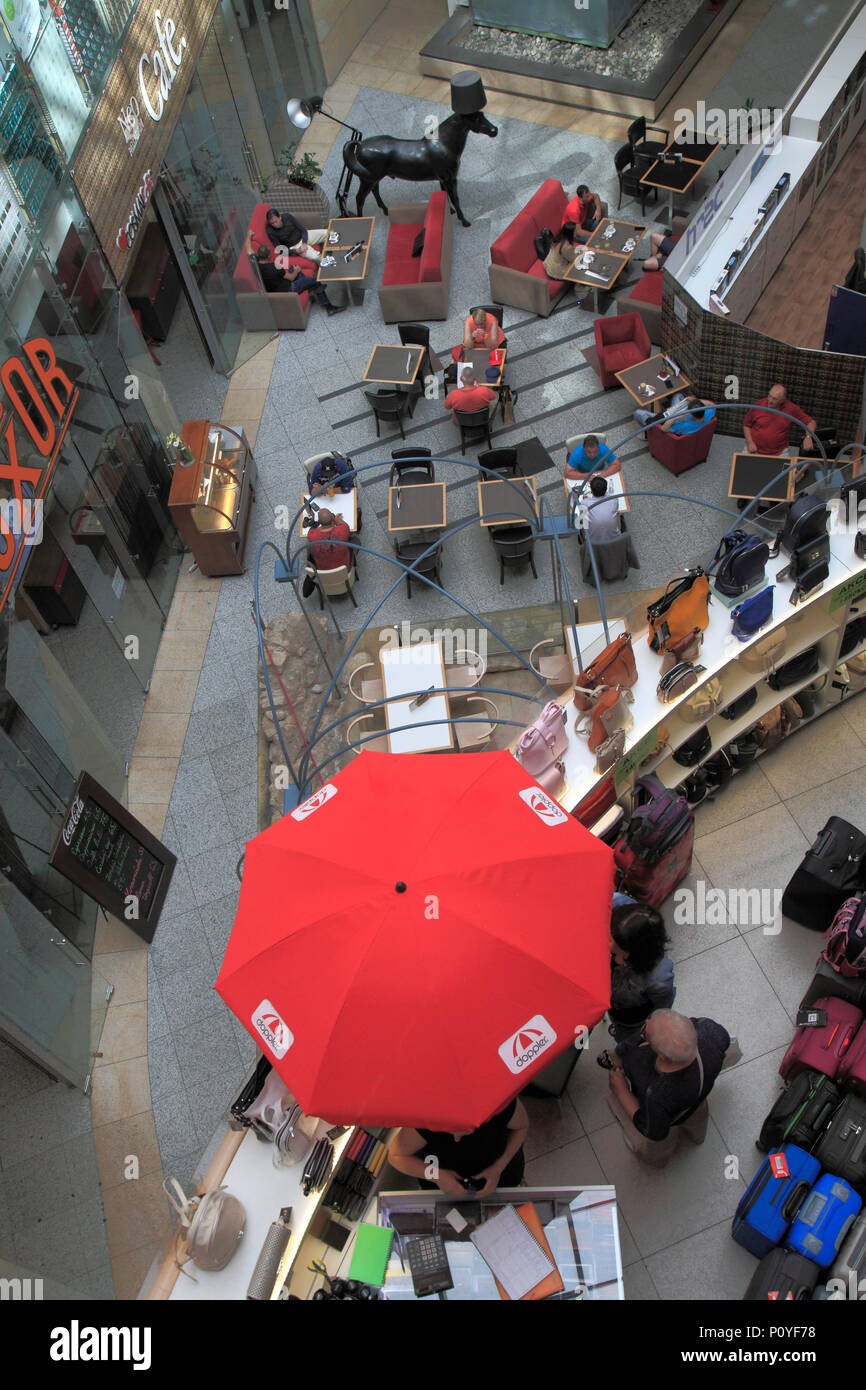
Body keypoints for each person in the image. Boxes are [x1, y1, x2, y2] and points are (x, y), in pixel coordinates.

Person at [605, 1009, 731, 1165]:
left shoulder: (655, 1094)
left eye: (647, 1033)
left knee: (659, 1144)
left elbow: (654, 1131)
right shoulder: (712, 1031)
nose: (646, 1022)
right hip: (697, 1099)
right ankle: (697, 1136)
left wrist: (622, 1091)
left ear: (662, 1056)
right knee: (696, 1118)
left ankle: (658, 1161)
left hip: (663, 1116)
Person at [388, 1099, 530, 1197]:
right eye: (449, 1129)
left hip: (502, 1171)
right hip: (444, 1182)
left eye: (467, 1130)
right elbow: (396, 1156)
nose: (457, 1138)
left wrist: (499, 1167)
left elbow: (522, 1127)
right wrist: (437, 1176)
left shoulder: (501, 1103)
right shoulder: (424, 1119)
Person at [597, 900, 676, 1047]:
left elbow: (662, 1008)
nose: (608, 953)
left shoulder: (658, 979)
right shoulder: (623, 913)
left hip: (632, 1019)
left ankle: (624, 1042)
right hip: (614, 1003)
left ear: (637, 957)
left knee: (628, 1038)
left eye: (614, 954)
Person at [246, 234, 345, 315]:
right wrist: (297, 271)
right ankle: (329, 307)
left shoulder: (256, 265)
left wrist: (249, 236)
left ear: (258, 256)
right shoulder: (275, 267)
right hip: (288, 289)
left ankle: (311, 288)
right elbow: (291, 277)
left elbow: (249, 249)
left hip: (275, 285)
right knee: (316, 280)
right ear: (268, 256)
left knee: (294, 267)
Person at [743, 383, 816, 456]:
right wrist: (750, 442)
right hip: (754, 447)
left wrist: (808, 437)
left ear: (782, 400)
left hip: (779, 452)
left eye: (774, 399)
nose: (770, 401)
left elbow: (811, 422)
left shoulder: (791, 409)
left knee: (787, 467)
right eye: (769, 396)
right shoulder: (759, 404)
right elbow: (746, 425)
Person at [578, 473, 622, 544]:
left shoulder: (585, 503)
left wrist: (586, 500)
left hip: (593, 542)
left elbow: (582, 517)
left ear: (591, 490)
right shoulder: (614, 500)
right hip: (614, 539)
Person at [634, 392, 711, 430]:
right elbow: (711, 404)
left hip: (665, 418)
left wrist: (676, 417)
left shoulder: (684, 425)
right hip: (674, 412)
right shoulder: (709, 413)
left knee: (637, 412)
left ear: (691, 413)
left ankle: (648, 431)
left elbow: (664, 429)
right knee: (678, 395)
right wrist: (695, 401)